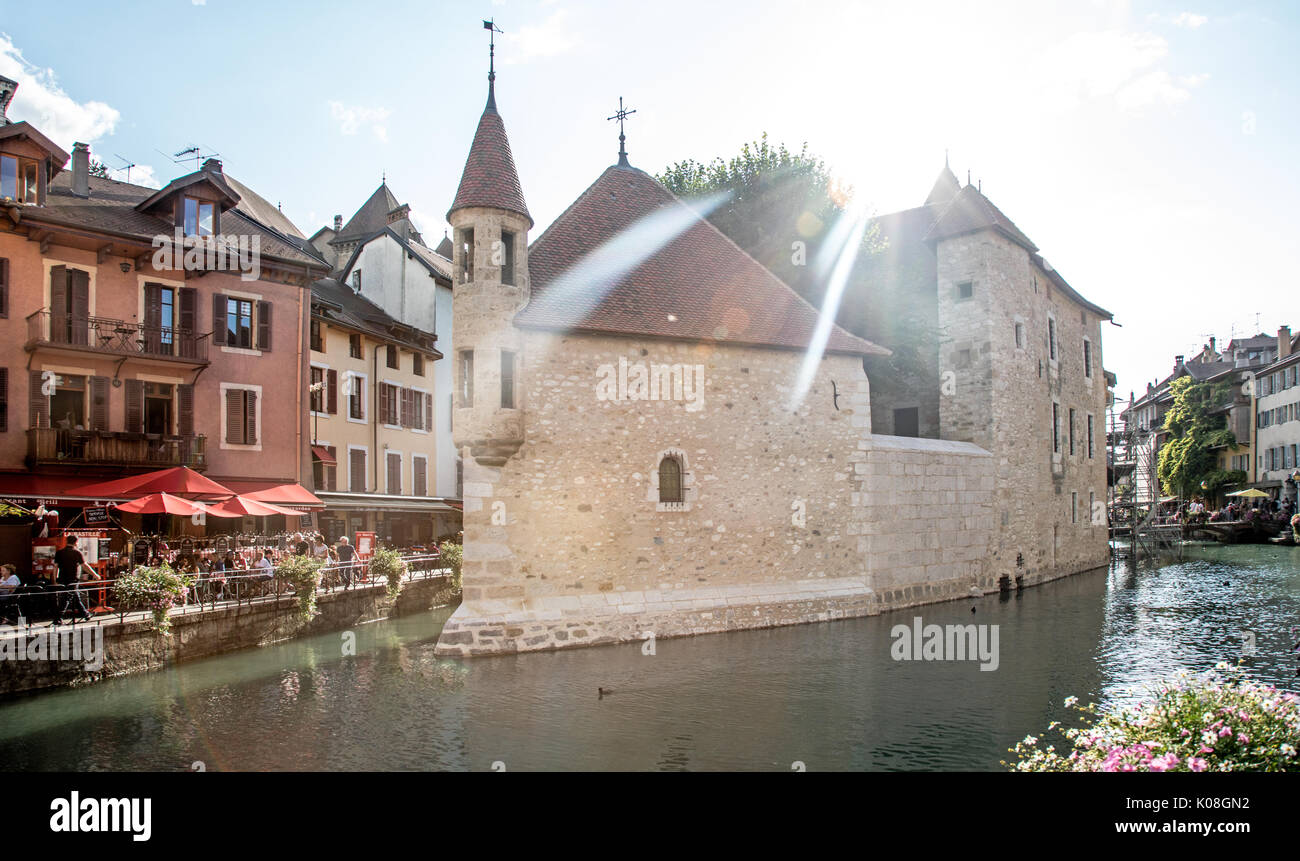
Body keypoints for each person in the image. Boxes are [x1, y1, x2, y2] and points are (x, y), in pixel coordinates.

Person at [53, 536, 93, 623]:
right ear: (76, 542)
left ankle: (85, 614)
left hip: (62, 579)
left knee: (73, 596)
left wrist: (55, 579)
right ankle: (58, 618)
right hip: (73, 579)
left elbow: (55, 567)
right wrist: (95, 575)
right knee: (67, 597)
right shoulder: (77, 553)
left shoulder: (59, 553)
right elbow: (84, 566)